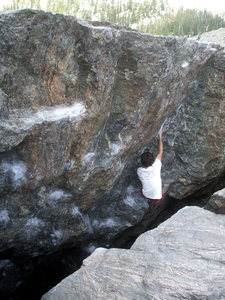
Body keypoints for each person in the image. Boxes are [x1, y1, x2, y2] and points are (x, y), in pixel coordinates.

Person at [137, 131, 164, 205]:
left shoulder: (139, 171)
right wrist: (160, 137)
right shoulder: (156, 166)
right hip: (156, 196)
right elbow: (161, 151)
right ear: (153, 161)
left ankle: (150, 201)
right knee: (159, 197)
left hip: (145, 194)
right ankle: (151, 203)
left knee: (153, 191)